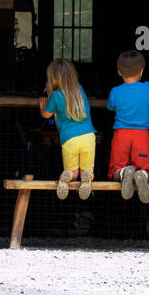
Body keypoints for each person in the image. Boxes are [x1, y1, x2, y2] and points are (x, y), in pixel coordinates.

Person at [107, 49, 149, 202]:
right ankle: (141, 175)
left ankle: (124, 172)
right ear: (141, 71)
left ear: (119, 72)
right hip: (141, 135)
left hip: (121, 134)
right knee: (144, 168)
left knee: (115, 169)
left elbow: (111, 106)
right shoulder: (148, 88)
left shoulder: (115, 91)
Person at [39, 58, 96, 200]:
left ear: (52, 79)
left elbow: (46, 115)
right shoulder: (80, 90)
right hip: (88, 136)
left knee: (73, 171)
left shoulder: (55, 96)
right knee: (87, 171)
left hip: (69, 139)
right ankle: (87, 178)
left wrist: (42, 107)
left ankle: (67, 176)